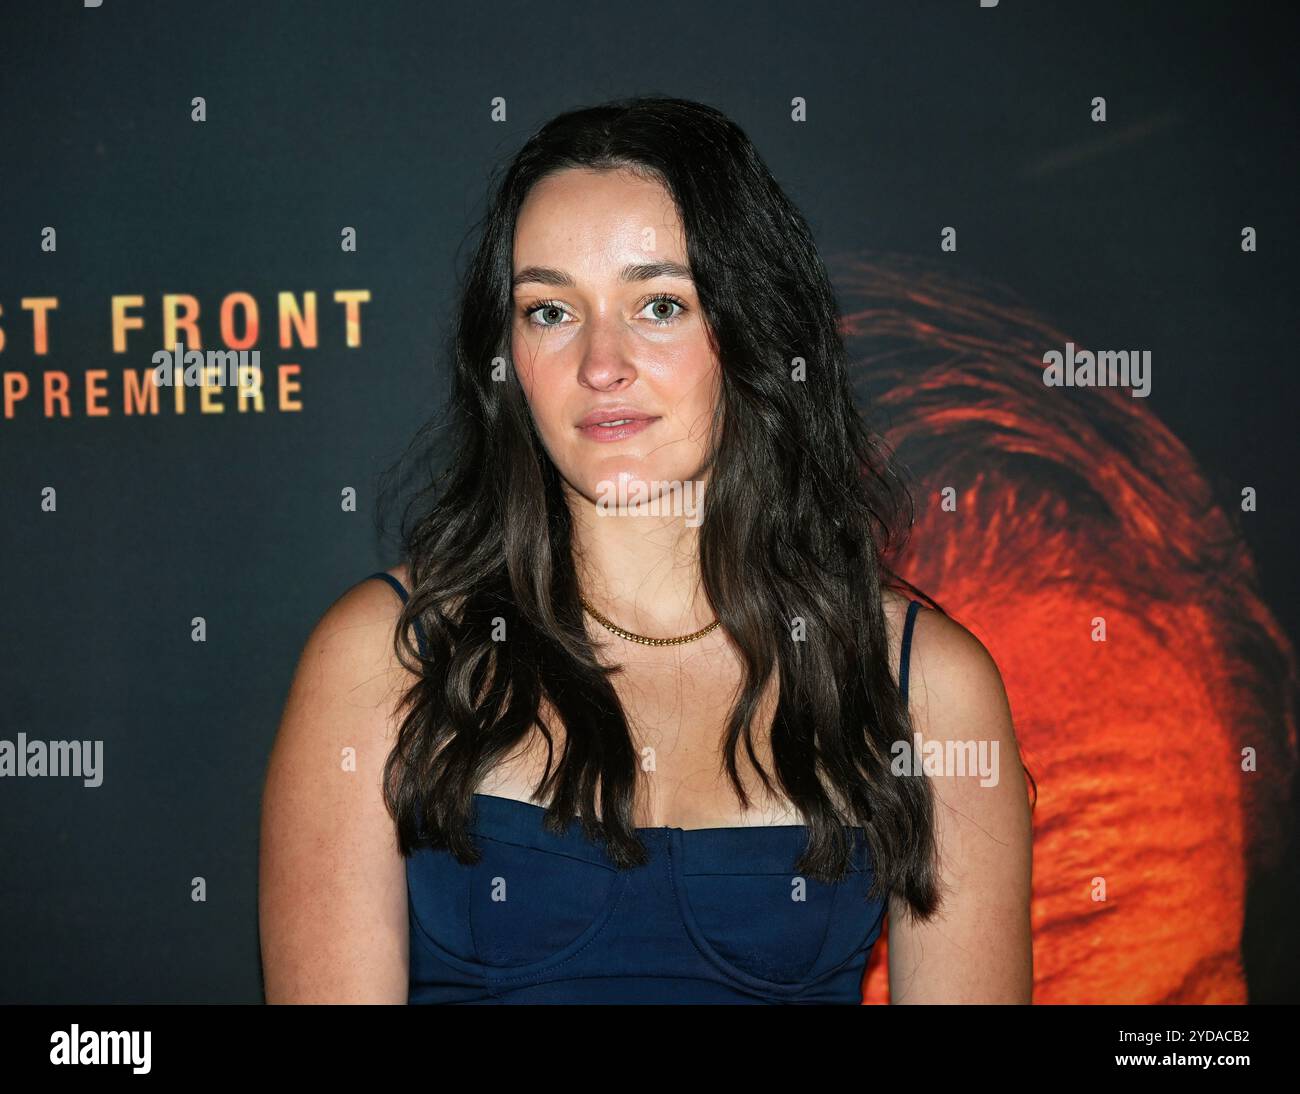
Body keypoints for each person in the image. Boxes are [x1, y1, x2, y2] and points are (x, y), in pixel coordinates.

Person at [258, 96, 1032, 1004]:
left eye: (659, 303)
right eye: (549, 311)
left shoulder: (922, 685)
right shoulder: (384, 659)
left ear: (752, 329)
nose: (600, 363)